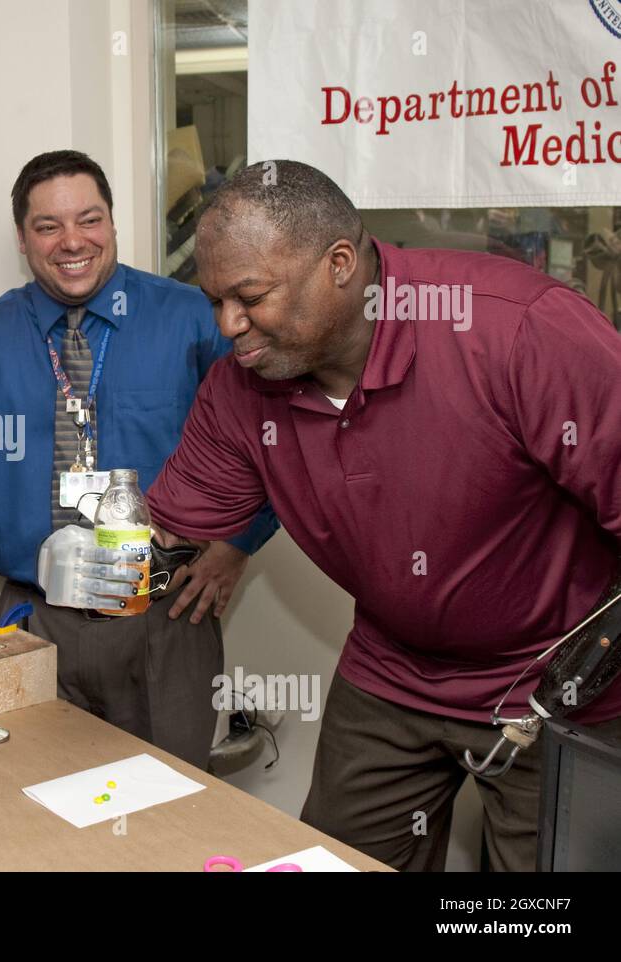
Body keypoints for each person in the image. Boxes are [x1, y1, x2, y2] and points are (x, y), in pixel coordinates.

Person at [146, 159, 621, 871]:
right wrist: (78, 578)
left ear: (340, 263)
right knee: (336, 862)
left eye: (249, 297)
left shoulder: (518, 332)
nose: (228, 327)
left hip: (556, 684)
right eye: (214, 300)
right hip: (392, 674)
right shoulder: (243, 386)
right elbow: (170, 527)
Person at [0, 150, 278, 767]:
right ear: (23, 238)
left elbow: (270, 438)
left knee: (166, 806)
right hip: (32, 621)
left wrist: (238, 543)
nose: (71, 241)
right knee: (31, 798)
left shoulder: (193, 320)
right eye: (48, 226)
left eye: (89, 219)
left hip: (164, 617)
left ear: (112, 222)